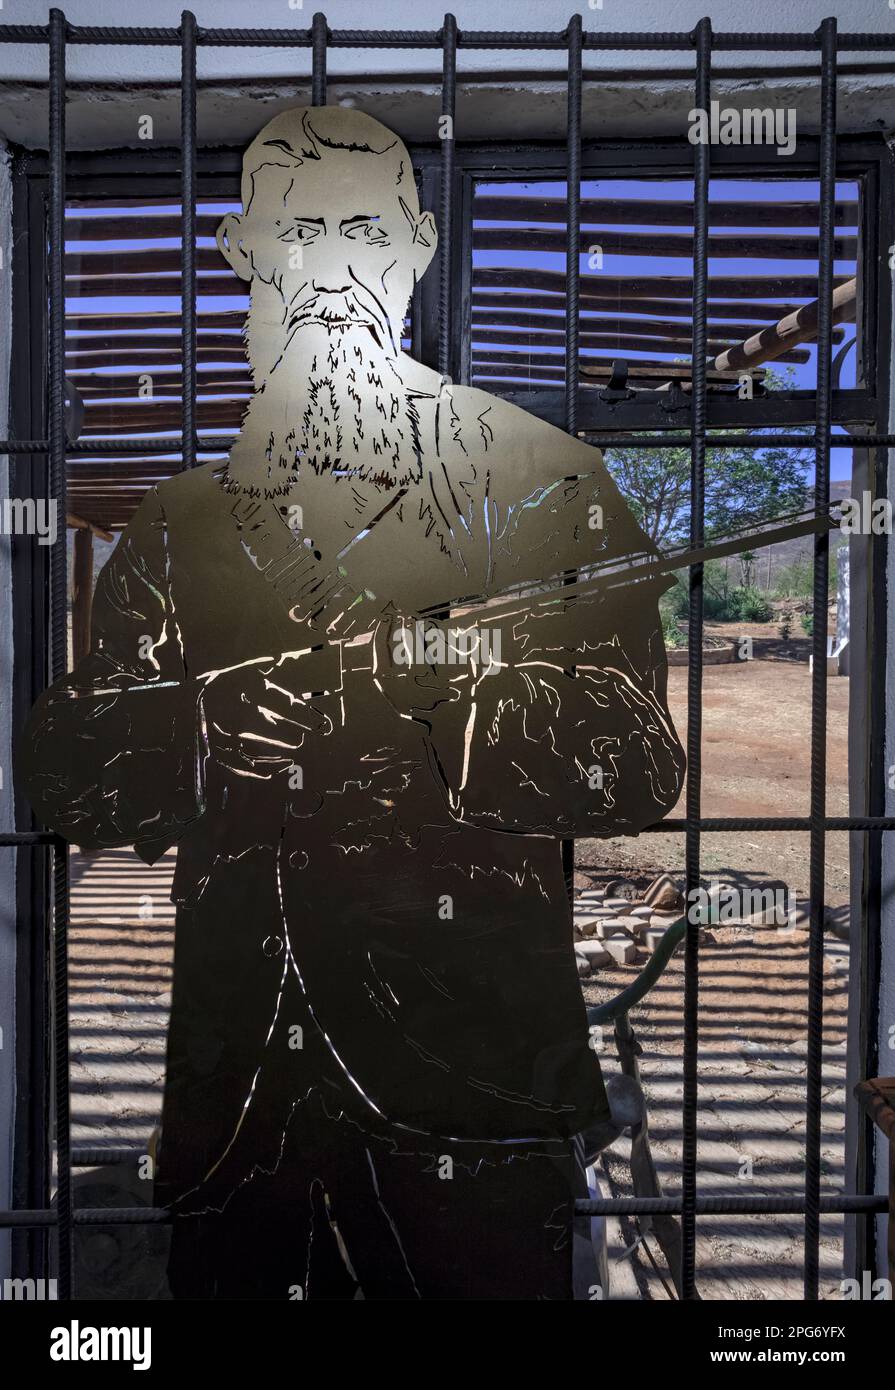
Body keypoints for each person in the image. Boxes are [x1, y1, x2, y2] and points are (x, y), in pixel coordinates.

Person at [23, 106, 684, 1300]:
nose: (333, 272)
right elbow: (65, 769)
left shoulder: (545, 481)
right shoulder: (176, 524)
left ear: (418, 249)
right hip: (239, 1104)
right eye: (300, 235)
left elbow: (636, 761)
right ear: (245, 254)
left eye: (364, 234)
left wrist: (458, 687)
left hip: (474, 1080)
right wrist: (203, 729)